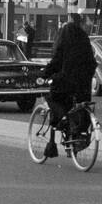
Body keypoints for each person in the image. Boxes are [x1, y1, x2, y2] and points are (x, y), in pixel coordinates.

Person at [40, 11, 96, 158]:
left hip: (67, 80)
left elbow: (57, 57)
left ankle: (61, 126)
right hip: (84, 84)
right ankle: (73, 137)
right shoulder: (84, 36)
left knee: (52, 98)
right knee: (77, 105)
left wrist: (46, 72)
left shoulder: (65, 33)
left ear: (69, 20)